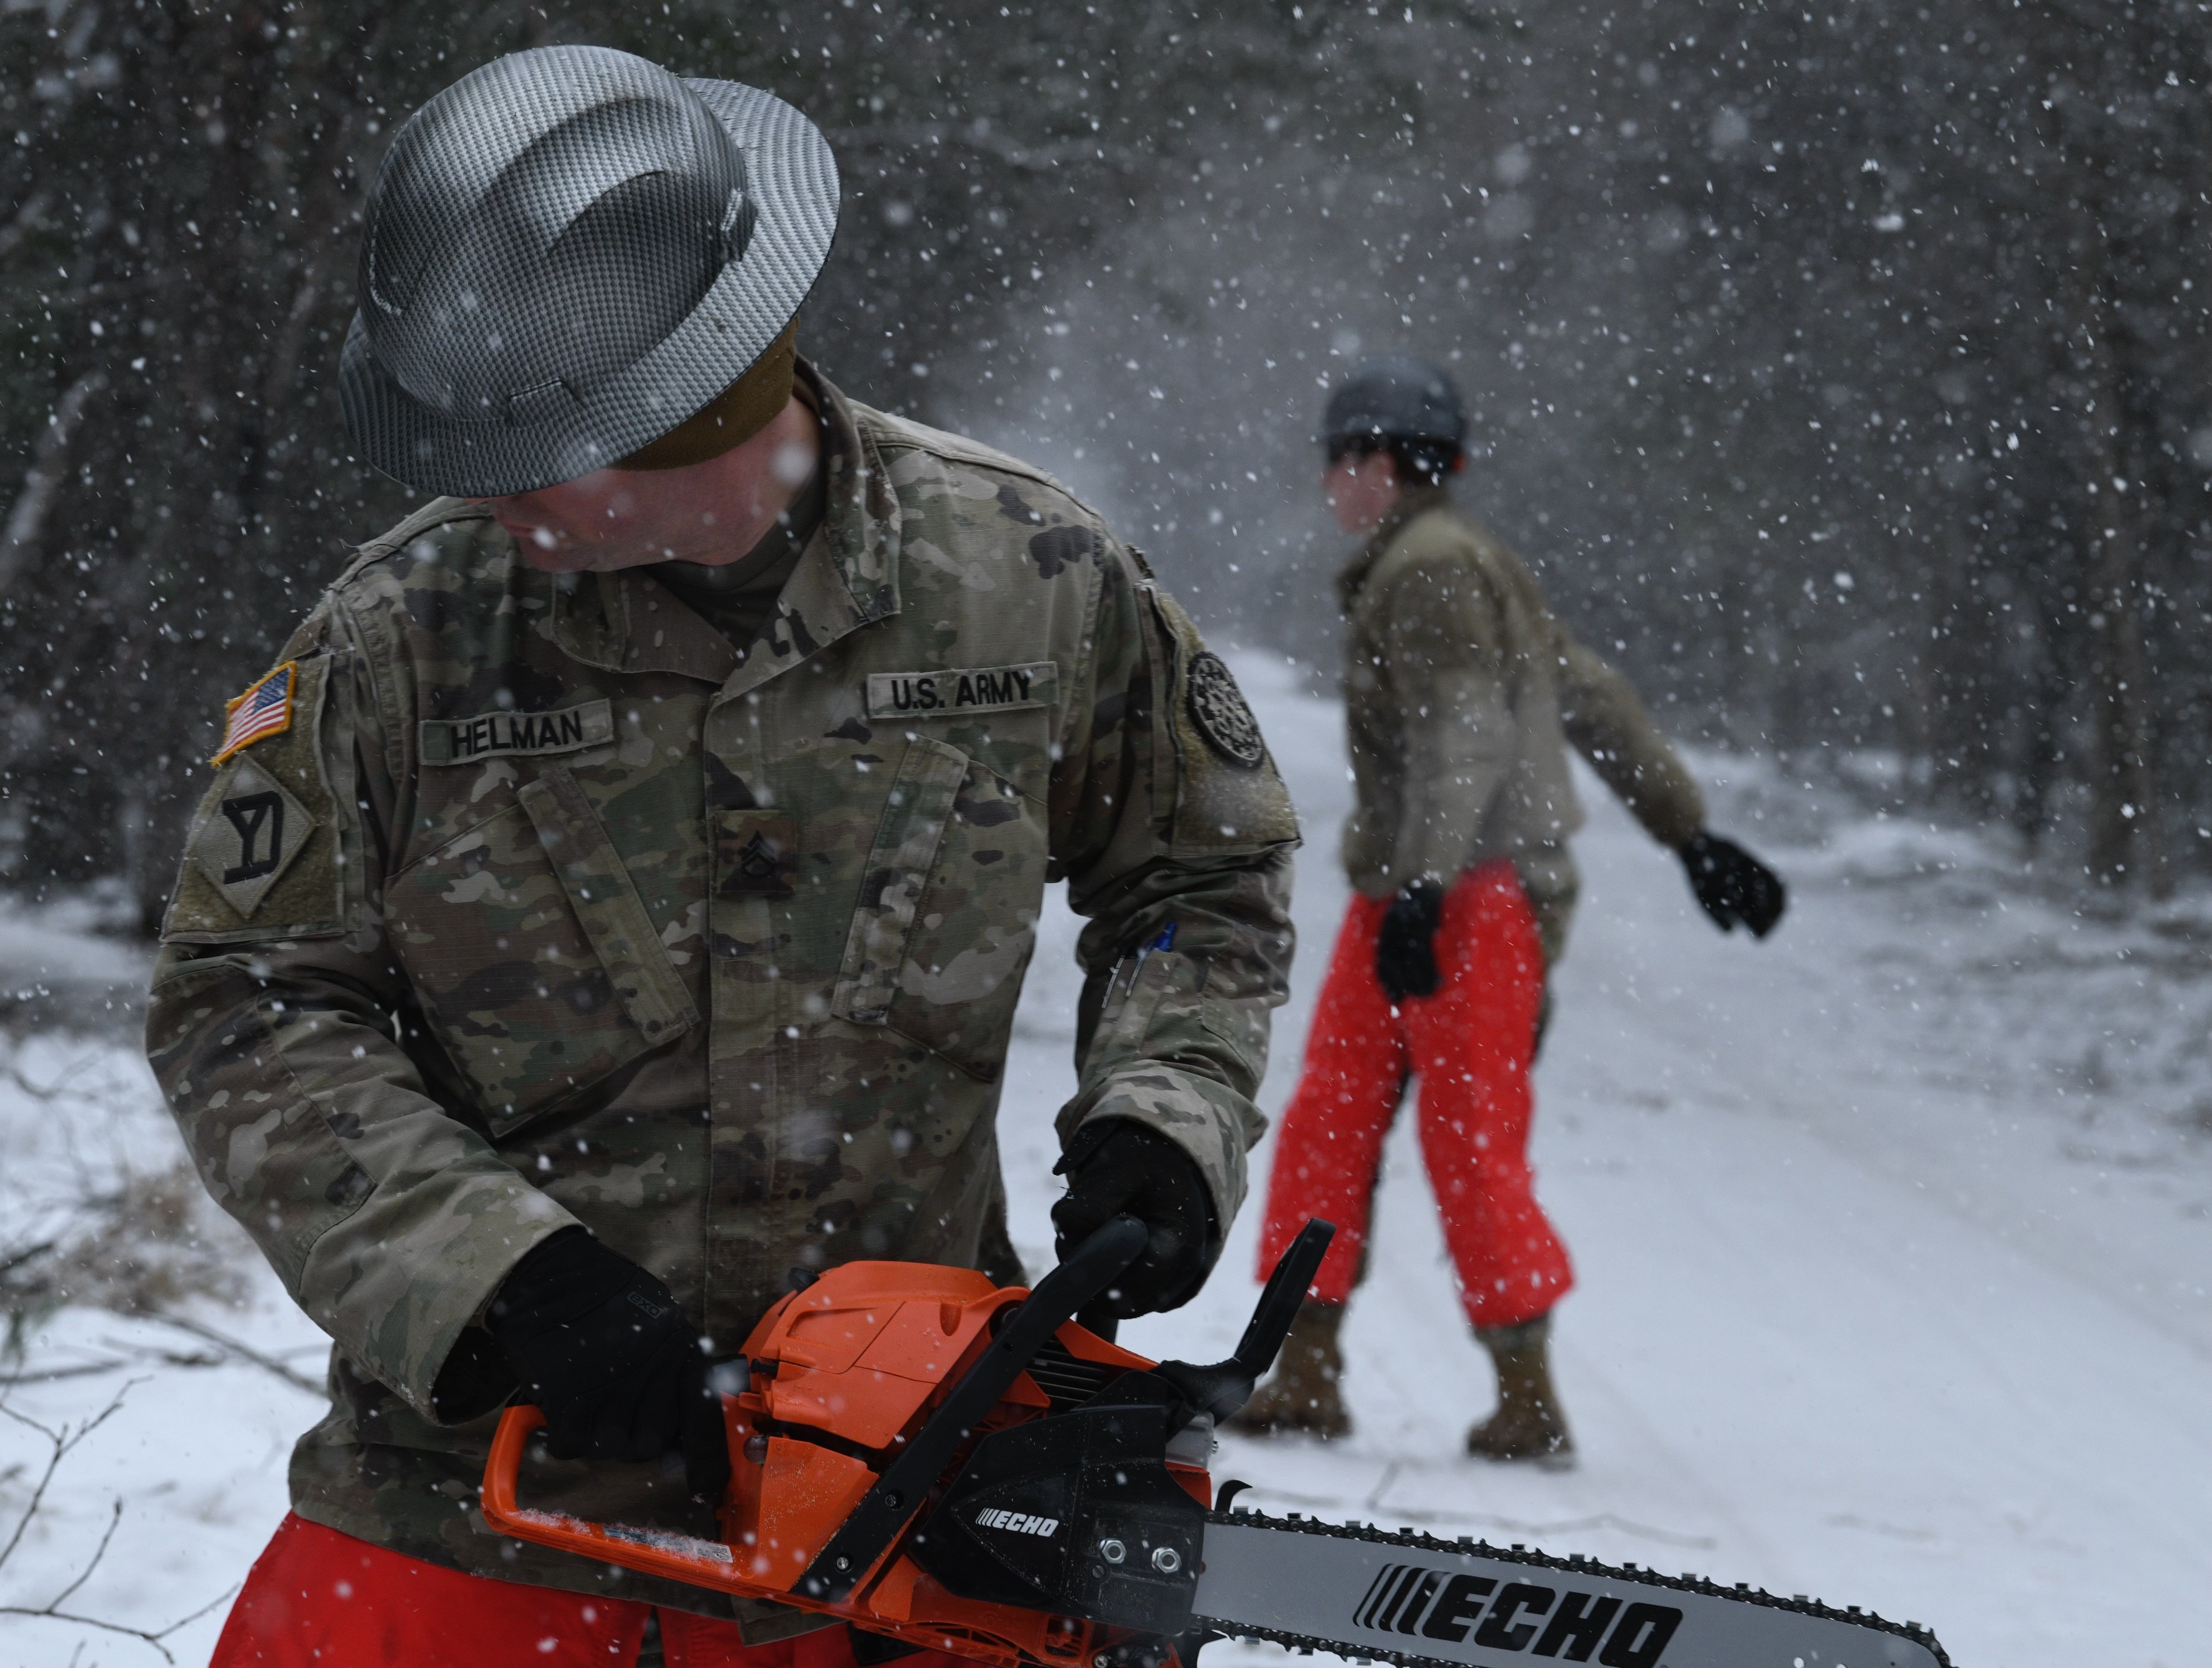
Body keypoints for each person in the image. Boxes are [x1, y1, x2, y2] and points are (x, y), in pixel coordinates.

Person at [145, 47, 1298, 1668]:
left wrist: (1162, 1121)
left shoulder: (1028, 579)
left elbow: (1198, 876)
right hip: (482, 1511)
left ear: (699, 409)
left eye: (541, 453)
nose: (498, 501)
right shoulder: (394, 651)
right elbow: (249, 1006)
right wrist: (488, 1275)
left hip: (902, 1494)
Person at [1234, 357, 1783, 1462]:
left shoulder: (1430, 570)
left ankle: (1525, 1401)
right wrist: (1689, 832)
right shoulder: (1460, 561)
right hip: (1416, 886)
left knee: (1465, 1140)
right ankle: (1304, 1371)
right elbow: (1584, 690)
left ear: (1377, 461)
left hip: (1465, 896)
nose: (1330, 483)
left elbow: (1469, 733)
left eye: (1339, 460)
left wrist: (1430, 886)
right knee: (1331, 1119)